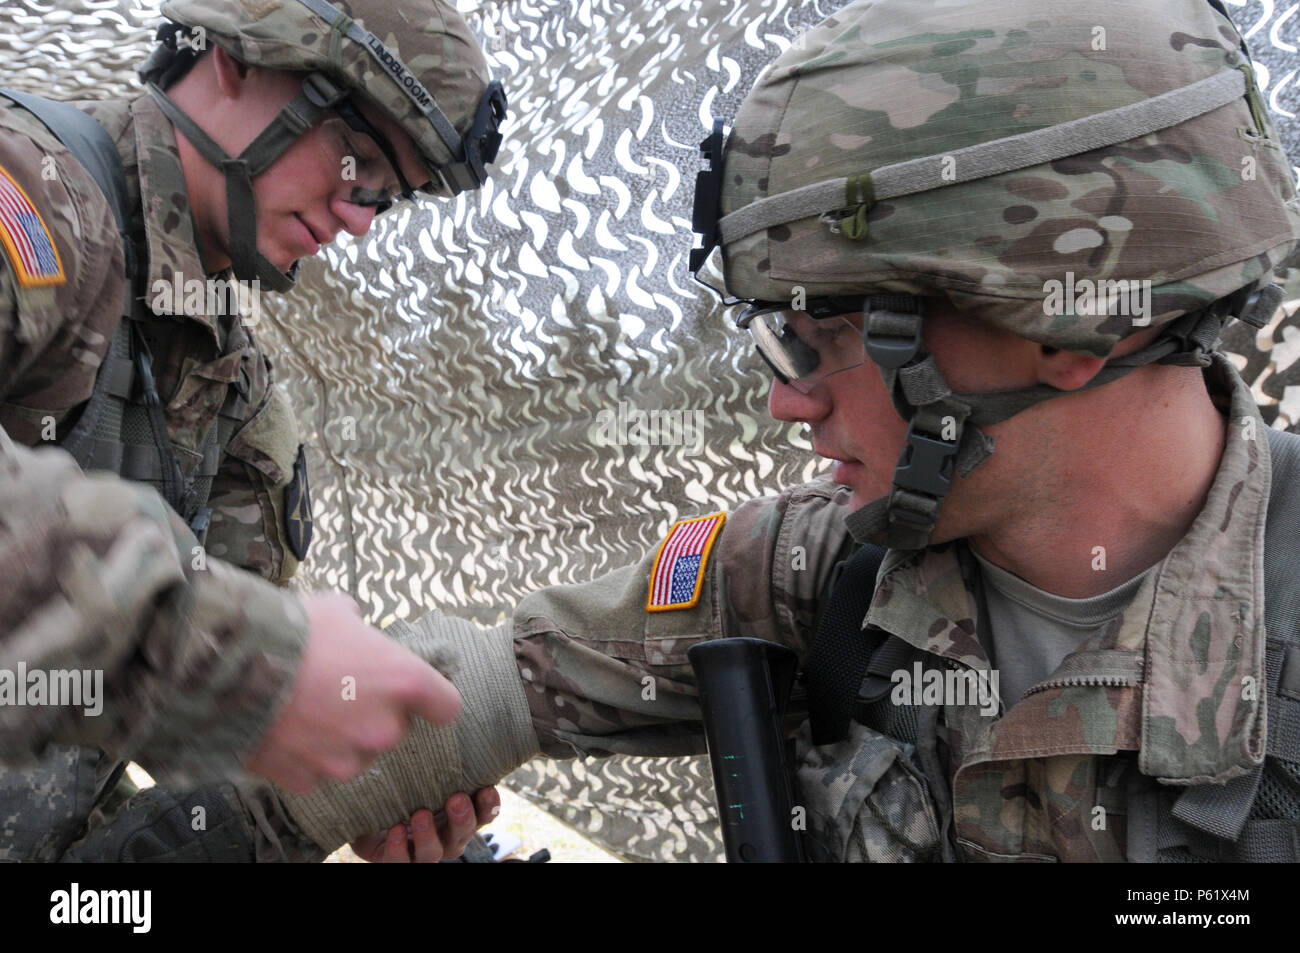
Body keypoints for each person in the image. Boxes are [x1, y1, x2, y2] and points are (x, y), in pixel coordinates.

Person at [78, 0, 1300, 862]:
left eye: (821, 334)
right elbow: (470, 688)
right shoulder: (815, 578)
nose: (784, 398)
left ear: (1066, 319)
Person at [0, 0, 507, 861]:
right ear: (237, 62)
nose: (358, 216)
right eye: (359, 160)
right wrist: (247, 663)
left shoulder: (227, 386)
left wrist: (323, 803)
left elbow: (99, 760)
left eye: (387, 199)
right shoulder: (36, 199)